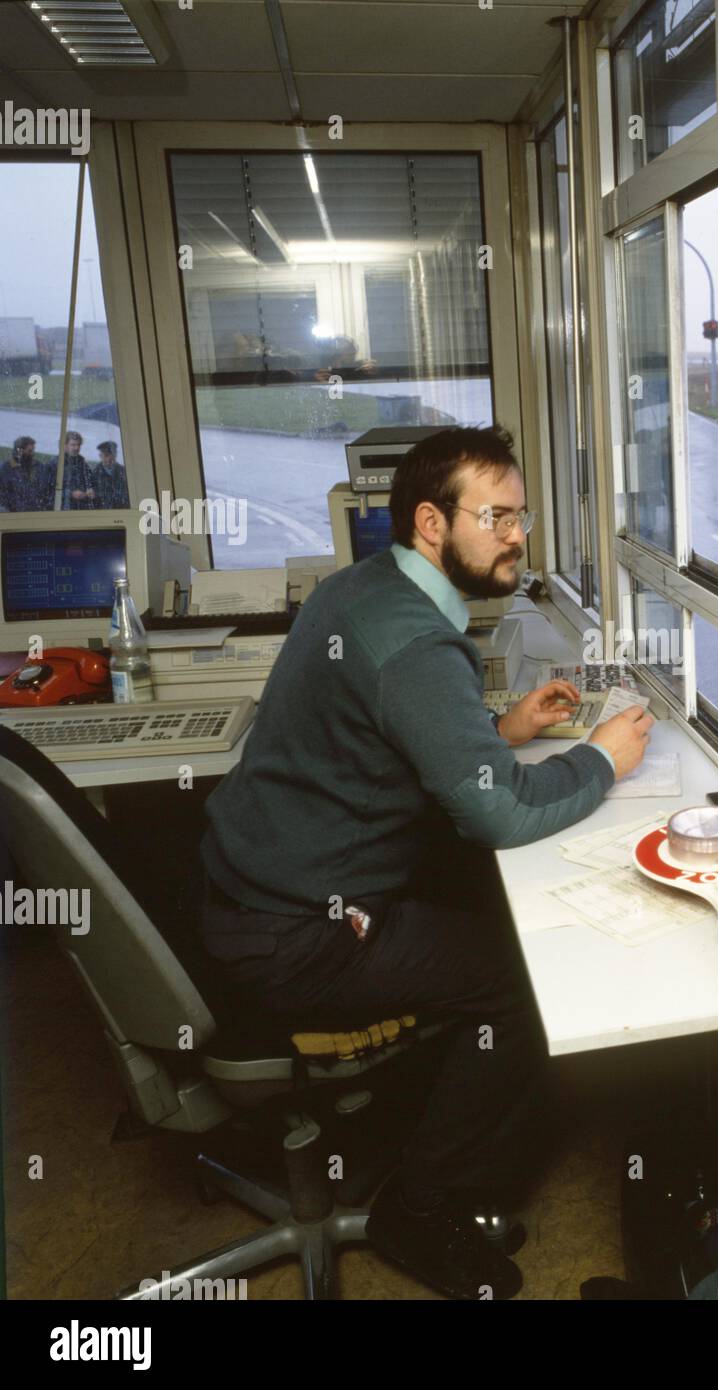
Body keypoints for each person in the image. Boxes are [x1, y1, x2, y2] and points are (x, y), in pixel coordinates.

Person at [196, 425, 653, 1300]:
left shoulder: (361, 591)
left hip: (243, 889)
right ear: (432, 525)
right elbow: (498, 813)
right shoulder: (416, 644)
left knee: (479, 919)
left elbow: (394, 740)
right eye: (499, 518)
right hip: (291, 934)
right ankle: (422, 1202)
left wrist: (497, 733)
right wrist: (600, 759)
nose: (519, 535)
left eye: (521, 516)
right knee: (522, 984)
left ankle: (421, 1131)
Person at [0, 436, 54, 512]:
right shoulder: (6, 469)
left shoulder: (39, 466)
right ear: (20, 451)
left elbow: (46, 489)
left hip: (36, 512)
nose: (33, 454)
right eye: (30, 451)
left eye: (33, 450)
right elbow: (2, 493)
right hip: (13, 513)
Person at [59, 431, 95, 510]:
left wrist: (92, 491)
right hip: (63, 509)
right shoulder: (55, 464)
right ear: (65, 445)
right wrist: (71, 494)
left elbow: (92, 483)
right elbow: (47, 491)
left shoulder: (83, 463)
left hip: (82, 508)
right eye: (73, 445)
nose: (77, 448)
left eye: (78, 445)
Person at [92, 440, 129, 509]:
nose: (109, 459)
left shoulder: (125, 472)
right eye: (106, 456)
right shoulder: (94, 474)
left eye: (112, 456)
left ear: (116, 455)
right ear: (100, 456)